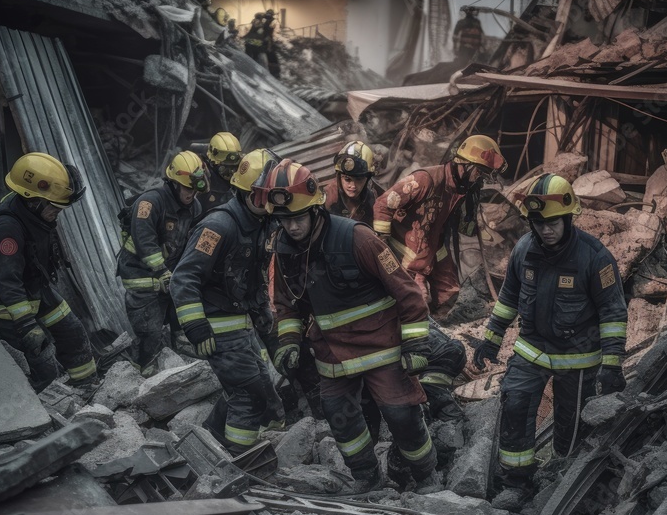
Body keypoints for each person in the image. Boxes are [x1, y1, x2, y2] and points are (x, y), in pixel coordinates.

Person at [268, 158, 441, 493]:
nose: (291, 227)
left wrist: (416, 345)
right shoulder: (284, 252)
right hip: (332, 355)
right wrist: (289, 340)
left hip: (383, 347)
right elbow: (285, 305)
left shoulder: (357, 238)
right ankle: (366, 478)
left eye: (297, 217)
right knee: (340, 418)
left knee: (401, 415)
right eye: (284, 219)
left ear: (316, 210)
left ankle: (426, 476)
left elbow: (407, 293)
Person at [472, 173, 628, 506]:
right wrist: (490, 339)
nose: (546, 229)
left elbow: (613, 312)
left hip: (579, 359)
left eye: (553, 222)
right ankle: (517, 483)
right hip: (532, 349)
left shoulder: (595, 257)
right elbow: (509, 297)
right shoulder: (524, 250)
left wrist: (612, 364)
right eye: (538, 222)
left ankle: (563, 480)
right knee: (514, 403)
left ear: (569, 217)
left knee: (572, 428)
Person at [329, 141, 466, 422]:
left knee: (450, 352)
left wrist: (411, 274)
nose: (352, 185)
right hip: (339, 297)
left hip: (377, 288)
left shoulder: (376, 199)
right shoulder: (324, 202)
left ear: (368, 178)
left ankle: (431, 398)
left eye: (357, 178)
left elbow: (392, 245)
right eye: (346, 178)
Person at [170, 148, 285, 454]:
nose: (269, 204)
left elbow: (254, 277)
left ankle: (209, 441)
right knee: (250, 393)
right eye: (262, 197)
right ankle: (236, 457)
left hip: (240, 325)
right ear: (244, 191)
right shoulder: (218, 226)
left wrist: (264, 320)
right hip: (216, 325)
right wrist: (195, 325)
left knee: (256, 385)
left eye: (273, 197)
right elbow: (184, 277)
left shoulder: (263, 224)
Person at [0, 152, 98, 391]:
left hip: (38, 291)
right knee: (43, 368)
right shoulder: (8, 227)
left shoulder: (33, 213)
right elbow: (8, 280)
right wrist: (26, 326)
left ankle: (86, 390)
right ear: (32, 198)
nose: (58, 212)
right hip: (11, 308)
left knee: (73, 336)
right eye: (54, 206)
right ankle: (42, 413)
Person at [372, 134, 506, 320]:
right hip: (404, 255)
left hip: (432, 250)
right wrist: (382, 245)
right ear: (464, 165)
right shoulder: (424, 179)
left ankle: (434, 325)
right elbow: (383, 204)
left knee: (449, 294)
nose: (479, 180)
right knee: (417, 302)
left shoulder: (460, 191)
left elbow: (459, 228)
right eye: (479, 173)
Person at [117, 151, 208, 374]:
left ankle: (178, 355)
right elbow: (144, 240)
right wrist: (161, 271)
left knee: (183, 317)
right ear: (174, 183)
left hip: (169, 274)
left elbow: (191, 243)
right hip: (140, 274)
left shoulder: (194, 207)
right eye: (188, 188)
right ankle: (140, 368)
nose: (192, 193)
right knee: (150, 330)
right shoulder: (150, 202)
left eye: (195, 189)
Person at [202, 132, 242, 211]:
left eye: (234, 166)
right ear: (213, 163)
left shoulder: (241, 176)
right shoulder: (204, 180)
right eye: (225, 167)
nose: (232, 171)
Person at [262, 9, 281, 79]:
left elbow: (276, 33)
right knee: (269, 56)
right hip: (266, 41)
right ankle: (272, 73)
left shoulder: (273, 21)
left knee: (270, 56)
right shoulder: (269, 21)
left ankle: (274, 73)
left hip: (267, 41)